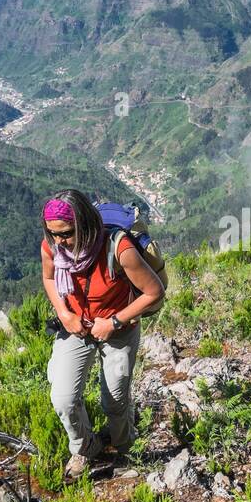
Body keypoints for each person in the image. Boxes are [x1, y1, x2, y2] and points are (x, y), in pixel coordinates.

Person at [41, 190, 164, 479]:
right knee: (63, 397)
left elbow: (154, 291)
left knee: (115, 398)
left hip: (119, 327)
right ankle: (85, 447)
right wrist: (64, 314)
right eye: (52, 233)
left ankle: (124, 448)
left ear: (84, 224)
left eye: (66, 233)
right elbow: (48, 278)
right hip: (76, 326)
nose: (59, 241)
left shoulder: (117, 247)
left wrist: (114, 322)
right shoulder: (52, 248)